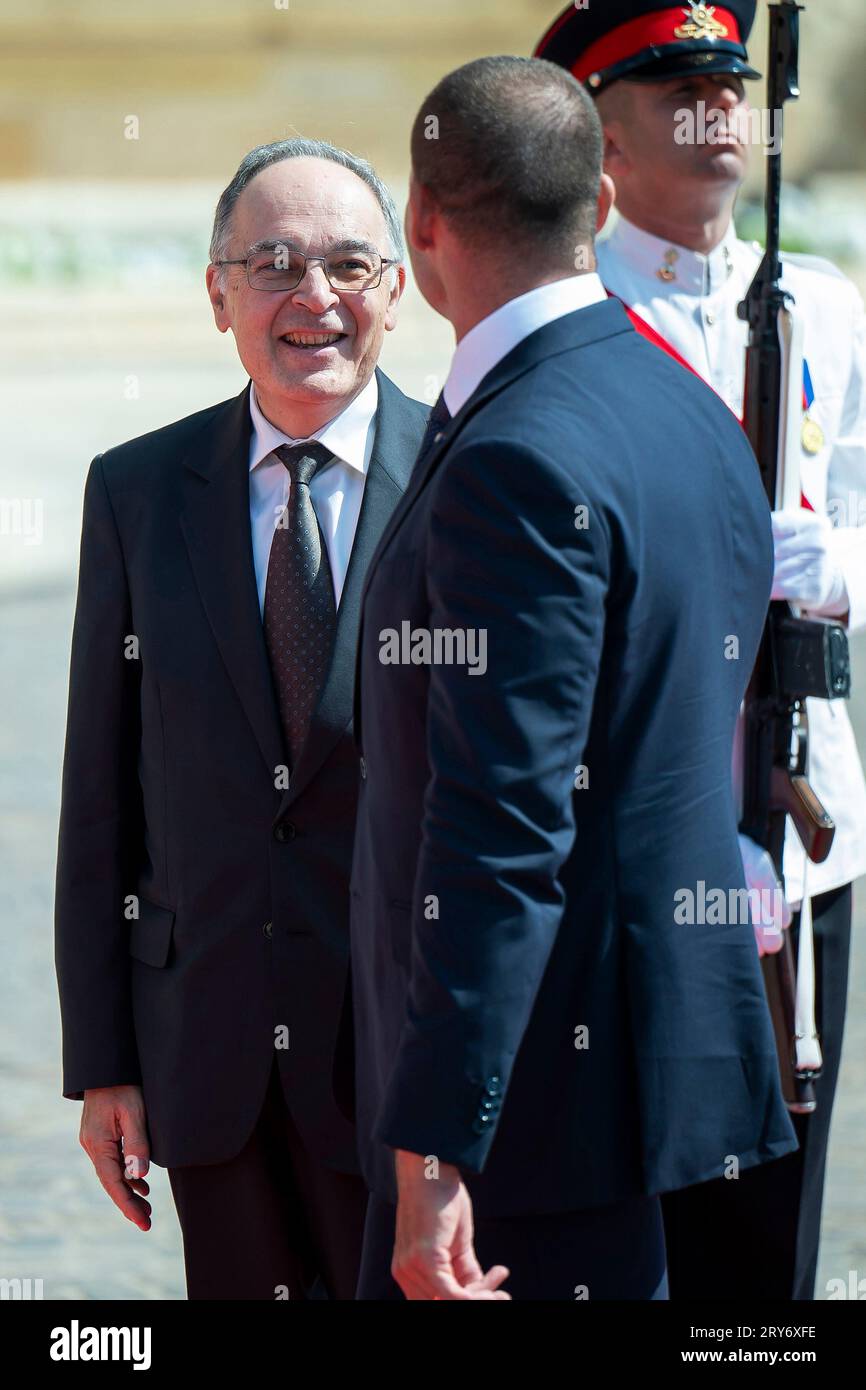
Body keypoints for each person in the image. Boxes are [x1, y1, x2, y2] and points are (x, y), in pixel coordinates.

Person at [347, 54, 796, 1302]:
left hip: (539, 1118)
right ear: (600, 203)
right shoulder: (686, 403)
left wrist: (437, 1143)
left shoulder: (514, 459)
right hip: (671, 1071)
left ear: (423, 224)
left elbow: (501, 826)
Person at [54, 138, 428, 1300]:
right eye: (273, 262)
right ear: (218, 294)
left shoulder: (469, 478)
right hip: (208, 1060)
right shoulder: (138, 491)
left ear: (396, 292)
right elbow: (100, 796)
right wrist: (104, 1063)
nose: (314, 297)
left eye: (348, 265)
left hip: (409, 1068)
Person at [536, 0, 866, 1301]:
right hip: (631, 825)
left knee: (770, 1235)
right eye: (678, 89)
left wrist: (822, 564)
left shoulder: (821, 307)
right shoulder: (569, 310)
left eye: (728, 84)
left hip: (801, 813)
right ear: (604, 135)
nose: (717, 110)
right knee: (636, 1216)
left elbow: (854, 512)